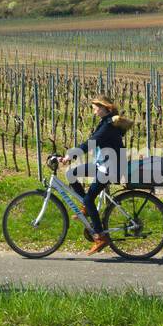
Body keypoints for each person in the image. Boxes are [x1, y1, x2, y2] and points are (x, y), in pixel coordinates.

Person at [59, 95, 133, 254]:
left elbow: (90, 144)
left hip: (111, 167)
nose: (93, 111)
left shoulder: (108, 126)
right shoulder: (106, 122)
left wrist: (70, 156)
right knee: (71, 173)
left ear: (105, 108)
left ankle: (100, 236)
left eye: (95, 108)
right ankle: (86, 207)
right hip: (103, 164)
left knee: (88, 197)